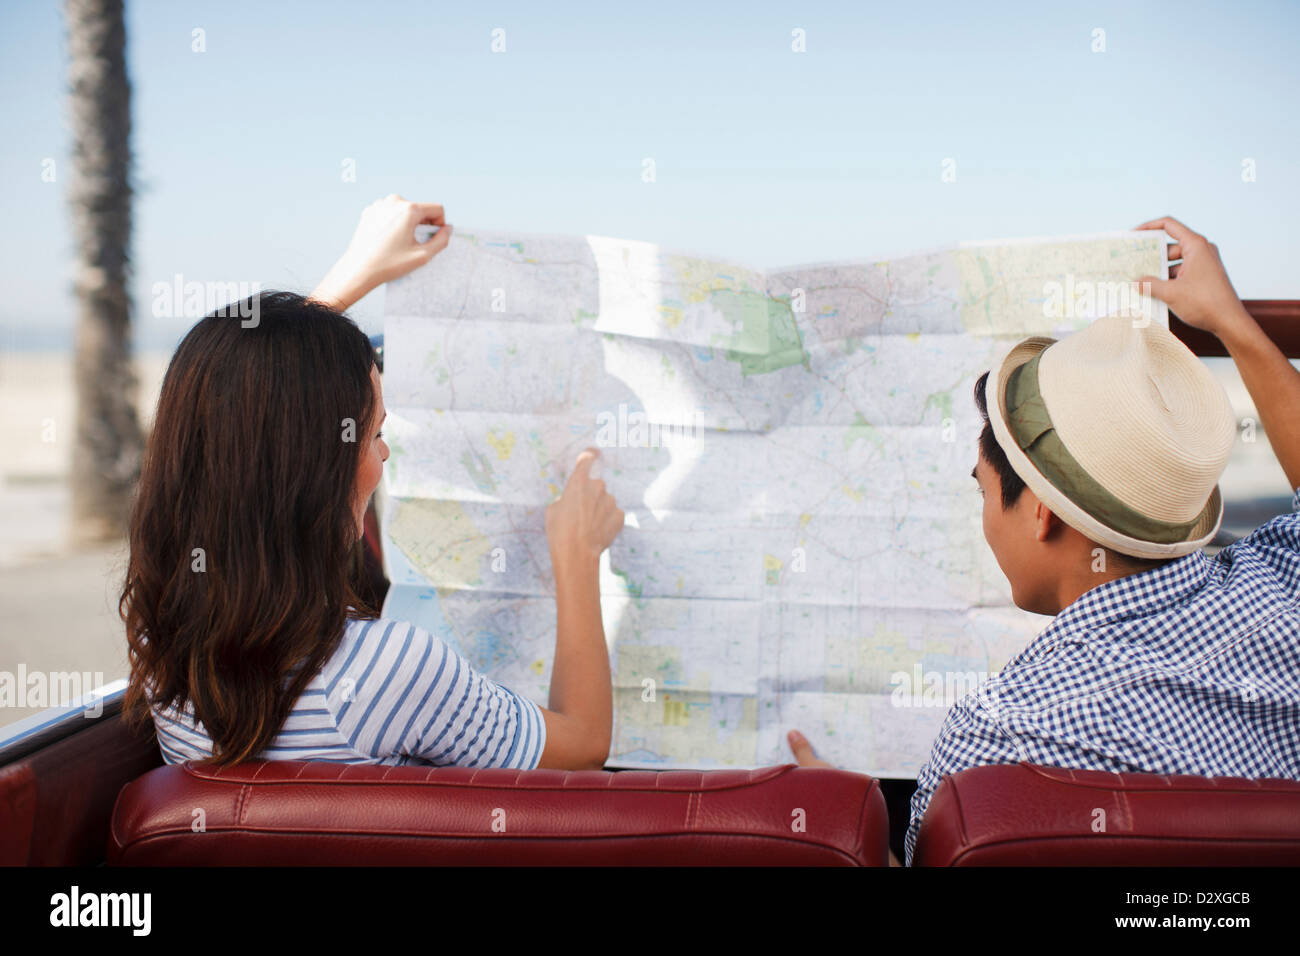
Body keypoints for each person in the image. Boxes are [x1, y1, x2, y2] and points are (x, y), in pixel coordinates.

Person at [787, 216, 1300, 865]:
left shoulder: (988, 753)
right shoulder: (1283, 587)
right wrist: (1234, 324)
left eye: (981, 488)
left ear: (1039, 513)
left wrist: (836, 825)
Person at [121, 195, 624, 772]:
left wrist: (354, 273)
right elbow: (582, 747)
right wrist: (577, 556)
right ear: (317, 476)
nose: (385, 455)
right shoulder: (389, 673)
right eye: (376, 433)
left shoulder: (160, 642)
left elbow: (243, 409)